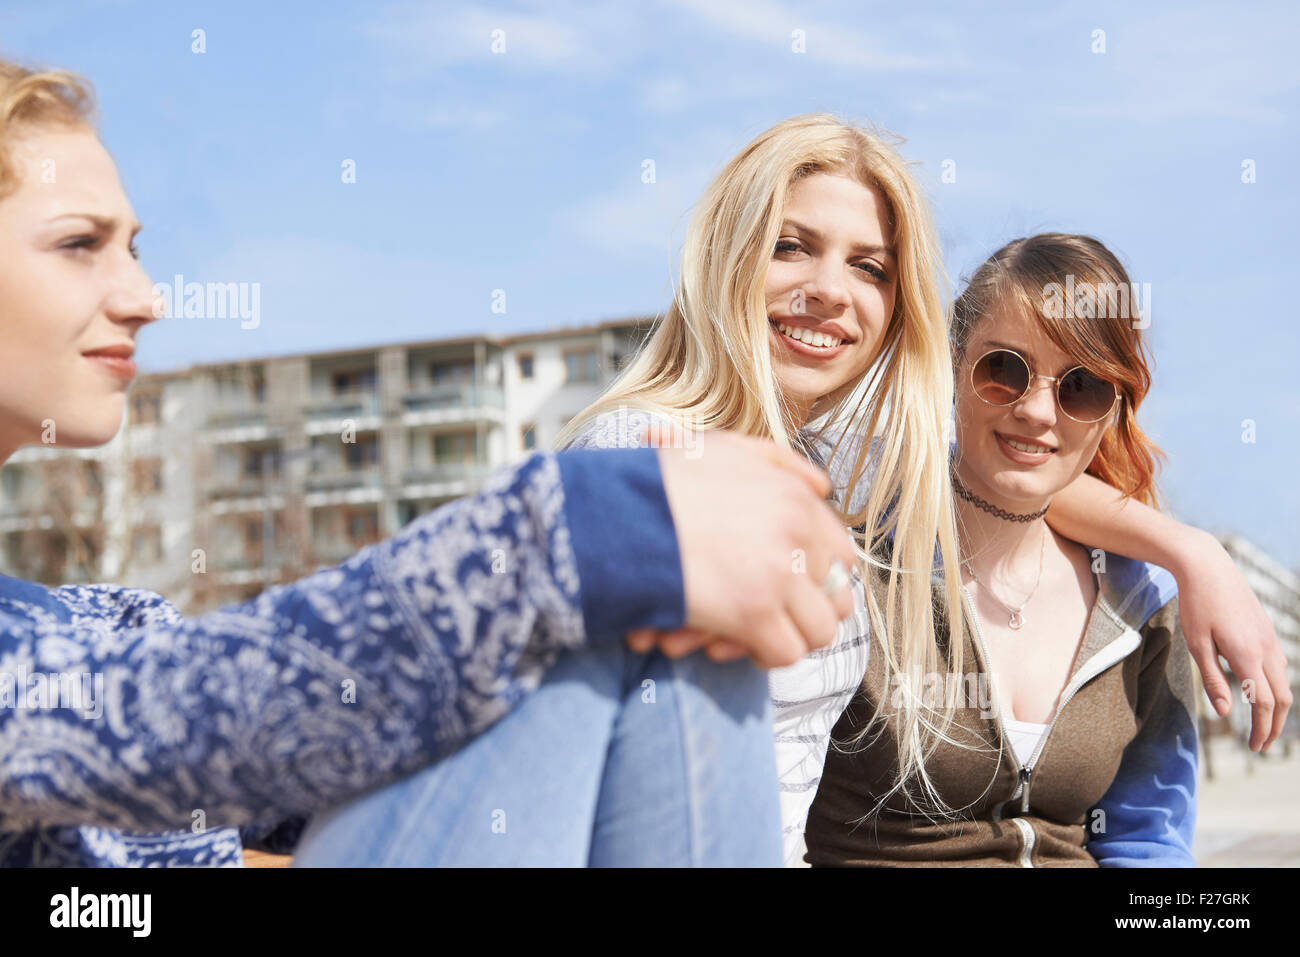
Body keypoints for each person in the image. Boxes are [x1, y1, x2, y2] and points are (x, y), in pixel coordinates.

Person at [295, 116, 1288, 866]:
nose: (829, 288)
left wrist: (1184, 551)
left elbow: (1010, 479)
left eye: (867, 266)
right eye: (791, 246)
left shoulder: (831, 471)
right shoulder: (643, 452)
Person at [0, 63, 858, 866]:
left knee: (654, 624)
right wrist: (578, 529)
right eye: (80, 244)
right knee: (620, 605)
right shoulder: (68, 669)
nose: (145, 298)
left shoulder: (98, 621)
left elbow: (294, 754)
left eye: (134, 250)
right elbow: (171, 714)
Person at [804, 233, 1198, 865]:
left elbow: (1148, 839)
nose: (1037, 411)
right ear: (954, 364)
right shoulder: (854, 559)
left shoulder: (1142, 606)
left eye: (1082, 388)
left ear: (1114, 408)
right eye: (1005, 370)